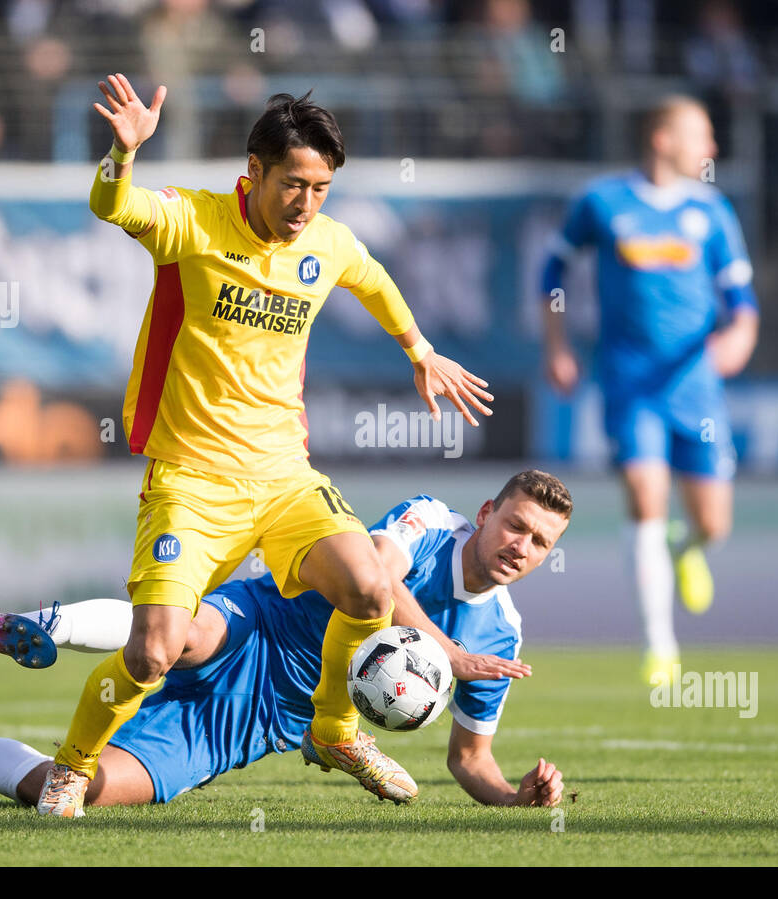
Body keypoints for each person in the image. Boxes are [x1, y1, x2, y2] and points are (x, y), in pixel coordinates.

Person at [33, 76, 495, 817]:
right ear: (254, 171)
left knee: (371, 587)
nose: (305, 203)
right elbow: (112, 205)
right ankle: (72, 766)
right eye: (292, 184)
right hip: (191, 481)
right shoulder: (196, 221)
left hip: (284, 478)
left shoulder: (326, 242)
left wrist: (419, 347)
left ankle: (336, 729)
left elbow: (372, 278)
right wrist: (122, 154)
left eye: (320, 188)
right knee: (153, 653)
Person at [0, 470, 573, 810]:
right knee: (175, 638)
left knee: (71, 798)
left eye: (540, 543)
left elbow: (469, 759)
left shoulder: (500, 638)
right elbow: (379, 571)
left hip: (257, 721)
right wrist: (445, 652)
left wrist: (514, 798)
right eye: (515, 525)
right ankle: (51, 624)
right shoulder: (431, 520)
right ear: (485, 512)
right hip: (262, 621)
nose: (521, 545)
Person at [540, 95, 758, 685]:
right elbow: (552, 270)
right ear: (662, 139)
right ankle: (659, 646)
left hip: (697, 392)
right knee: (644, 495)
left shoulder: (712, 212)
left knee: (713, 524)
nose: (711, 149)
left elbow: (742, 303)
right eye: (702, 136)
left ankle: (687, 551)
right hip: (629, 386)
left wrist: (738, 338)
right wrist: (557, 345)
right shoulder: (603, 202)